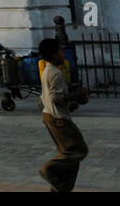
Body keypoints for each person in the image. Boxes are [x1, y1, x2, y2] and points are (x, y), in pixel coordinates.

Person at [37, 37, 88, 192]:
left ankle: (61, 188)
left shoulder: (47, 70)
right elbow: (55, 98)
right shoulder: (56, 73)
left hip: (50, 116)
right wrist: (75, 96)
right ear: (53, 55)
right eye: (60, 50)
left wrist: (70, 103)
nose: (63, 53)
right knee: (78, 151)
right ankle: (49, 169)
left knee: (70, 158)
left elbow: (44, 98)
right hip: (59, 119)